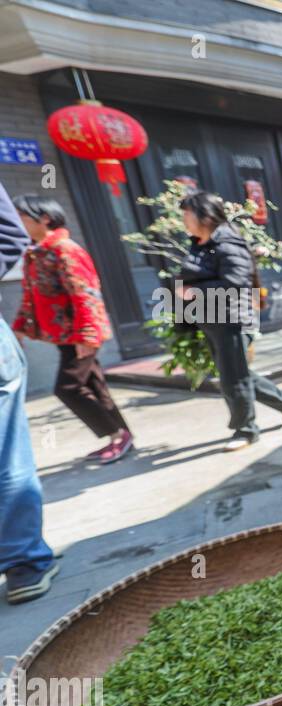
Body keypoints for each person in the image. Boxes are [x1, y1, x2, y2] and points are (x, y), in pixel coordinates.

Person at [10, 195, 133, 464]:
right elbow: (30, 296)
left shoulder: (65, 249)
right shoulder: (37, 252)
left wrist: (87, 335)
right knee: (93, 385)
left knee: (67, 388)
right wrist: (19, 328)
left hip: (80, 333)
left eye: (23, 217)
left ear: (44, 219)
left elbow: (85, 294)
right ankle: (121, 436)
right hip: (65, 334)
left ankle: (116, 434)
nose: (19, 223)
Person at [176, 191, 282, 451]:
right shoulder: (201, 244)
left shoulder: (228, 244)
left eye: (187, 214)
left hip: (232, 318)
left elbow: (235, 283)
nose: (184, 219)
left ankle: (246, 430)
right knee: (235, 373)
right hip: (211, 318)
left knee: (234, 379)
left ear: (204, 216)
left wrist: (193, 292)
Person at [0, 181, 58, 603]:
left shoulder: (62, 249)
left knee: (5, 453)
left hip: (72, 334)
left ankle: (24, 561)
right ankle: (25, 563)